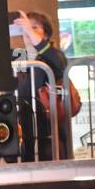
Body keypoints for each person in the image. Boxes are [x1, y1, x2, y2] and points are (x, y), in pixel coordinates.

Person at [14, 11, 70, 161]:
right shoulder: (19, 56)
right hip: (25, 127)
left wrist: (29, 31)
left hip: (49, 128)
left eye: (35, 27)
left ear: (46, 34)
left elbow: (59, 65)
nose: (28, 31)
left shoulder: (54, 54)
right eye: (25, 28)